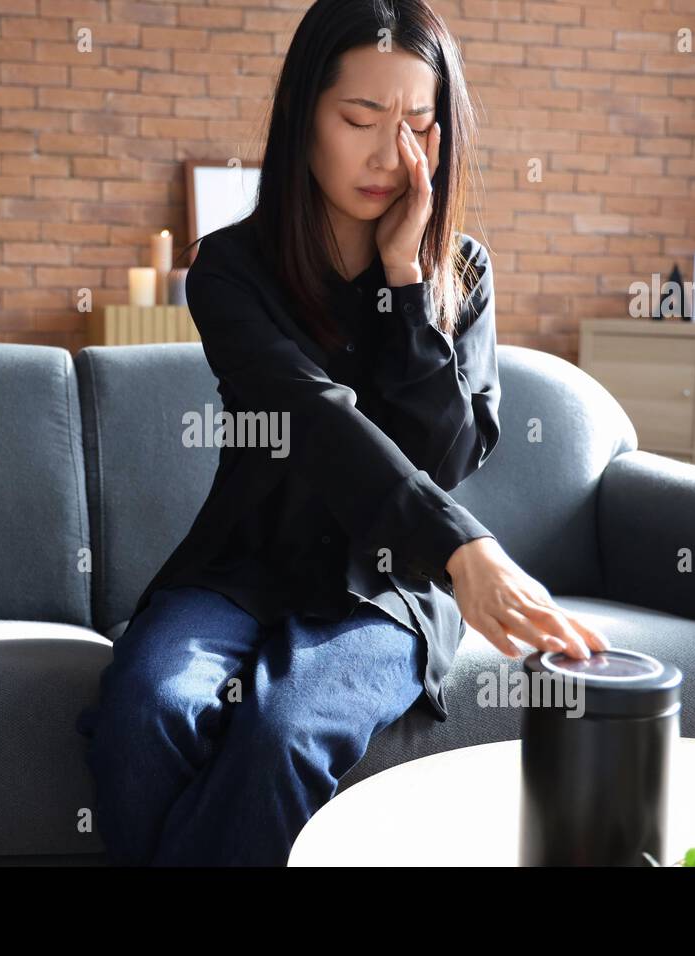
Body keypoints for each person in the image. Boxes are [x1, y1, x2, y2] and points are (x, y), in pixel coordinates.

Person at [77, 0, 610, 867]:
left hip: (388, 587)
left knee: (282, 733)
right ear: (304, 117)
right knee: (148, 708)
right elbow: (306, 411)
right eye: (361, 117)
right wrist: (466, 549)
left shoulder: (460, 273)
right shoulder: (231, 269)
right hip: (241, 566)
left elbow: (449, 454)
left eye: (419, 123)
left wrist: (405, 282)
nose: (389, 152)